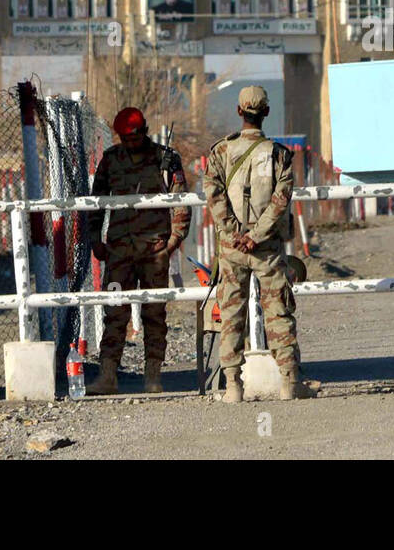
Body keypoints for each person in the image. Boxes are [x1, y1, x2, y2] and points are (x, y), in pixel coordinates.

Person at [205, 85, 311, 402]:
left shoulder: (220, 152)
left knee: (231, 315)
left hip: (232, 249)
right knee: (278, 313)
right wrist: (256, 235)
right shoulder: (279, 155)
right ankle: (289, 383)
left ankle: (234, 386)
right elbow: (281, 202)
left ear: (240, 112)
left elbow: (214, 196)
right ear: (266, 112)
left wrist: (236, 233)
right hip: (265, 249)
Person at [85, 107, 192, 395]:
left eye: (136, 136)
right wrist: (96, 239)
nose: (132, 142)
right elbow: (96, 203)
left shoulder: (164, 159)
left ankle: (153, 376)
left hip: (154, 252)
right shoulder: (110, 160)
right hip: (119, 252)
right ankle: (108, 375)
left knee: (154, 314)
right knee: (115, 311)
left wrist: (171, 245)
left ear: (144, 130)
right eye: (126, 138)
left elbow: (182, 203)